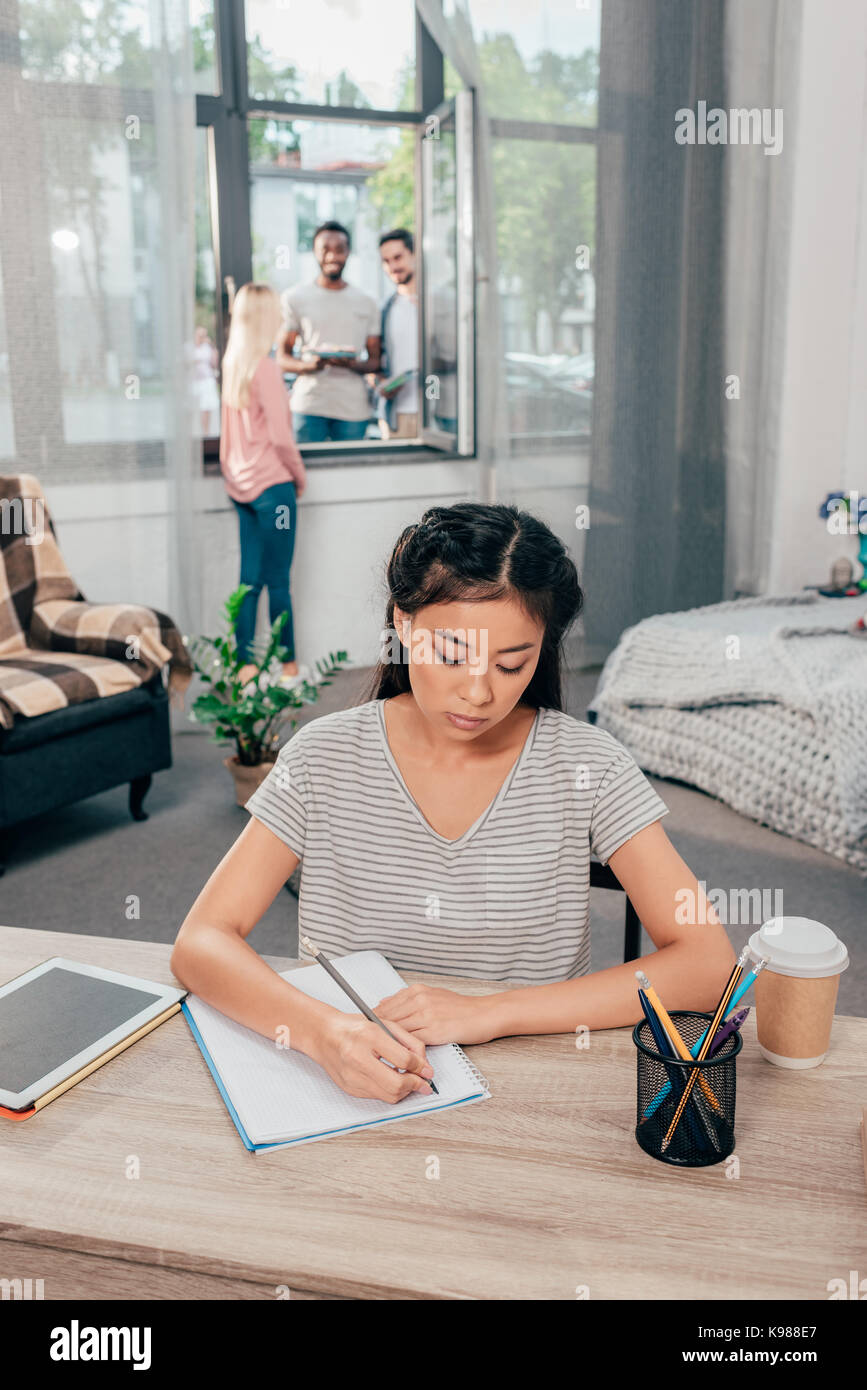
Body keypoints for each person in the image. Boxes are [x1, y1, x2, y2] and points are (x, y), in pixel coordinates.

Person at [171, 503, 736, 1104]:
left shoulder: (588, 769)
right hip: (350, 1079)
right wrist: (322, 1033)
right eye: (450, 654)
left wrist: (491, 1013)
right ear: (403, 623)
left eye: (511, 663)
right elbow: (202, 942)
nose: (478, 690)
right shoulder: (323, 758)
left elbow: (707, 964)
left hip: (529, 1087)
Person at [219, 283, 307, 684]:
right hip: (275, 491)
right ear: (266, 318)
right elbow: (280, 438)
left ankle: (245, 667)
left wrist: (233, 475)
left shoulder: (233, 365)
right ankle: (289, 667)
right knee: (280, 582)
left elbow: (227, 438)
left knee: (249, 582)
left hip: (242, 489)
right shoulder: (267, 368)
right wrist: (299, 477)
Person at [276, 221, 381, 443]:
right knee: (307, 473)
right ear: (314, 251)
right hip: (308, 405)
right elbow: (282, 358)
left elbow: (375, 361)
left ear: (348, 252)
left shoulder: (367, 301)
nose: (332, 256)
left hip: (353, 408)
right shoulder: (294, 297)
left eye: (339, 250)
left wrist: (353, 364)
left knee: (348, 470)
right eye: (325, 249)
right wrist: (309, 366)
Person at [376, 228, 419, 440]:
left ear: (415, 254)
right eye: (386, 261)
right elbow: (376, 361)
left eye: (398, 257)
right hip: (394, 415)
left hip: (433, 415)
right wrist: (379, 383)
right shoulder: (384, 309)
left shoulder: (438, 305)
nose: (393, 266)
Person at [193, 326, 220, 436]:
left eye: (204, 335)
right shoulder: (190, 347)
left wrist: (212, 347)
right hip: (194, 382)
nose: (202, 338)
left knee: (206, 408)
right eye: (200, 335)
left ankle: (206, 432)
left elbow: (214, 364)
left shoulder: (208, 348)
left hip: (207, 381)